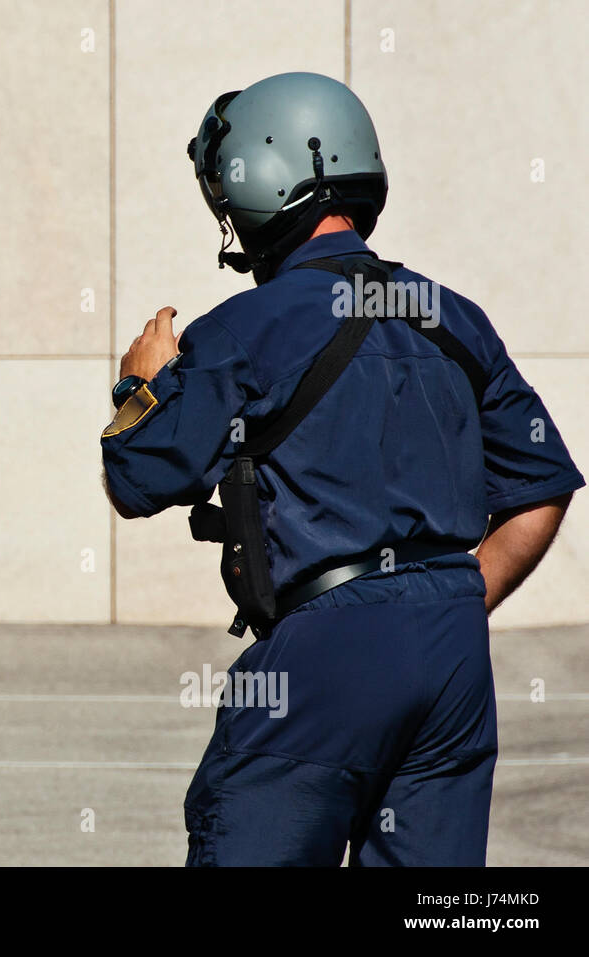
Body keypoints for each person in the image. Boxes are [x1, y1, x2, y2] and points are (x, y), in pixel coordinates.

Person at [100, 72, 583, 865]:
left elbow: (140, 479)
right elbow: (543, 487)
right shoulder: (453, 316)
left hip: (325, 651)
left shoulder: (244, 326)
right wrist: (451, 598)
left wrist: (140, 386)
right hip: (454, 651)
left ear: (260, 184)